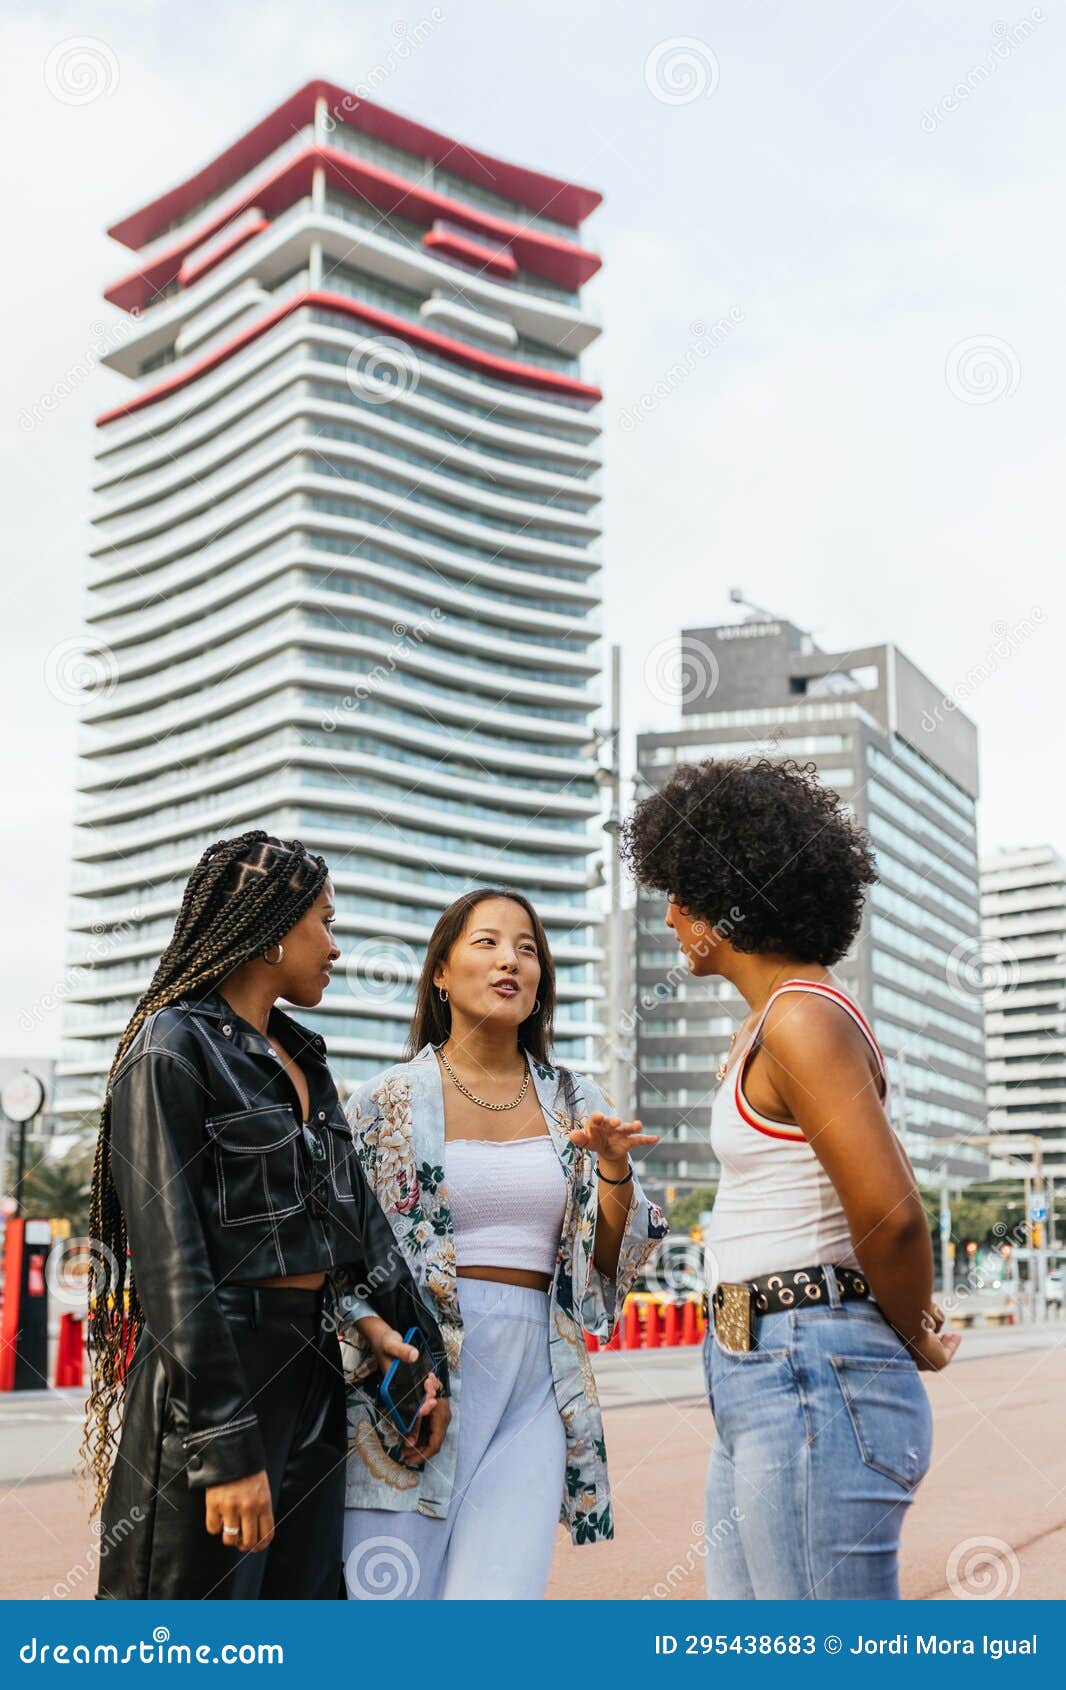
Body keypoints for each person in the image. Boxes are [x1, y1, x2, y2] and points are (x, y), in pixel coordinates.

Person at [620, 758, 960, 1601]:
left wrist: (914, 1330)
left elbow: (892, 1213)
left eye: (680, 894)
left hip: (809, 1366)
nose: (670, 915)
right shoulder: (777, 1020)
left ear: (725, 896)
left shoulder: (803, 1020)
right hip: (761, 1363)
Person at [82, 830, 448, 1599]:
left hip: (311, 1366)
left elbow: (362, 1231)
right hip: (215, 1374)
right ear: (273, 928)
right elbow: (173, 1263)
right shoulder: (171, 1048)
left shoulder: (305, 1060)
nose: (336, 948)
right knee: (186, 1630)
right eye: (326, 922)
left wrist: (420, 1360)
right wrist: (223, 1442)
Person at [336, 887, 669, 1600]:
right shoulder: (383, 1102)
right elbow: (338, 1253)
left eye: (527, 949)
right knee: (387, 1604)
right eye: (486, 943)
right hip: (413, 1373)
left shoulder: (577, 1101)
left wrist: (613, 1168)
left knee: (497, 1604)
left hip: (534, 1379)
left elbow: (608, 1263)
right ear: (441, 972)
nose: (510, 960)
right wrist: (383, 1350)